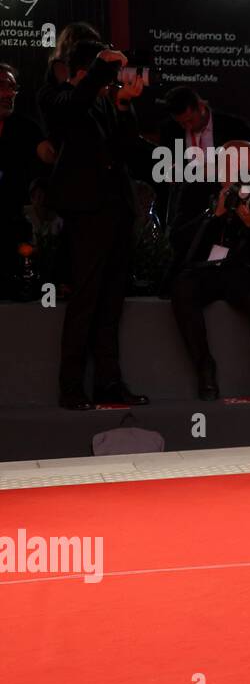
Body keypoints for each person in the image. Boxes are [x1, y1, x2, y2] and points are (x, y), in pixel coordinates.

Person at [45, 41, 150, 411]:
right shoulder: (61, 100)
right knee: (85, 303)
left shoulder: (105, 103)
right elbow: (75, 106)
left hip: (116, 213)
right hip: (87, 216)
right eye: (100, 74)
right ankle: (71, 387)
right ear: (82, 73)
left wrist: (124, 106)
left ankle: (108, 382)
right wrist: (101, 68)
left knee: (111, 306)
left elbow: (127, 150)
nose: (108, 83)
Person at [169, 149, 250, 414]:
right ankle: (204, 367)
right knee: (182, 289)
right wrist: (213, 216)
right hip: (202, 269)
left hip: (239, 269)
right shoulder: (195, 187)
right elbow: (178, 241)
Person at [155, 87, 250, 232]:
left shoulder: (235, 127)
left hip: (226, 200)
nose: (187, 127)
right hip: (187, 206)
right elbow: (165, 169)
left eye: (190, 120)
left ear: (201, 106)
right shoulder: (169, 130)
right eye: (182, 123)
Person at [0, 63, 46, 282]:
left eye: (12, 87)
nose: (9, 93)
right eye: (2, 85)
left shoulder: (26, 129)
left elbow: (50, 157)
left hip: (13, 231)